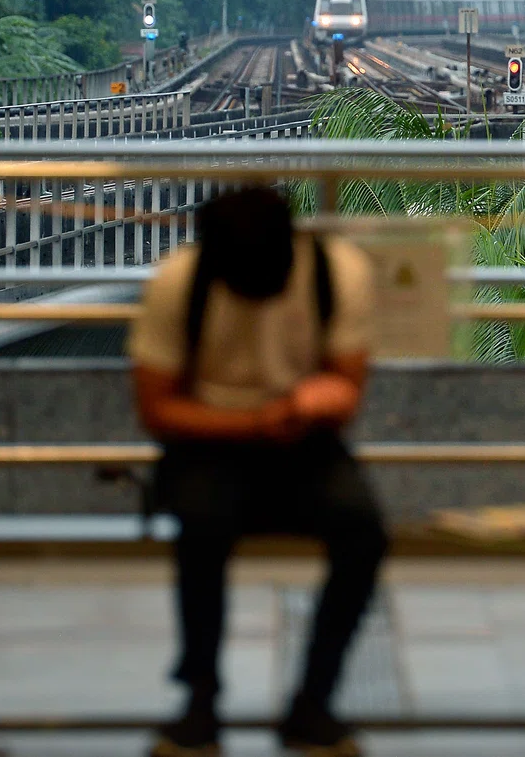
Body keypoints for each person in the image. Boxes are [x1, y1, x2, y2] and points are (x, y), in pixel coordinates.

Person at [128, 186, 386, 757]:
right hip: (207, 439)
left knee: (364, 534)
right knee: (201, 525)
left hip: (303, 438)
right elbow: (156, 409)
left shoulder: (335, 272)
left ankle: (314, 699)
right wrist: (256, 424)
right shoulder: (179, 282)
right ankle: (200, 698)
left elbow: (348, 385)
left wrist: (312, 404)